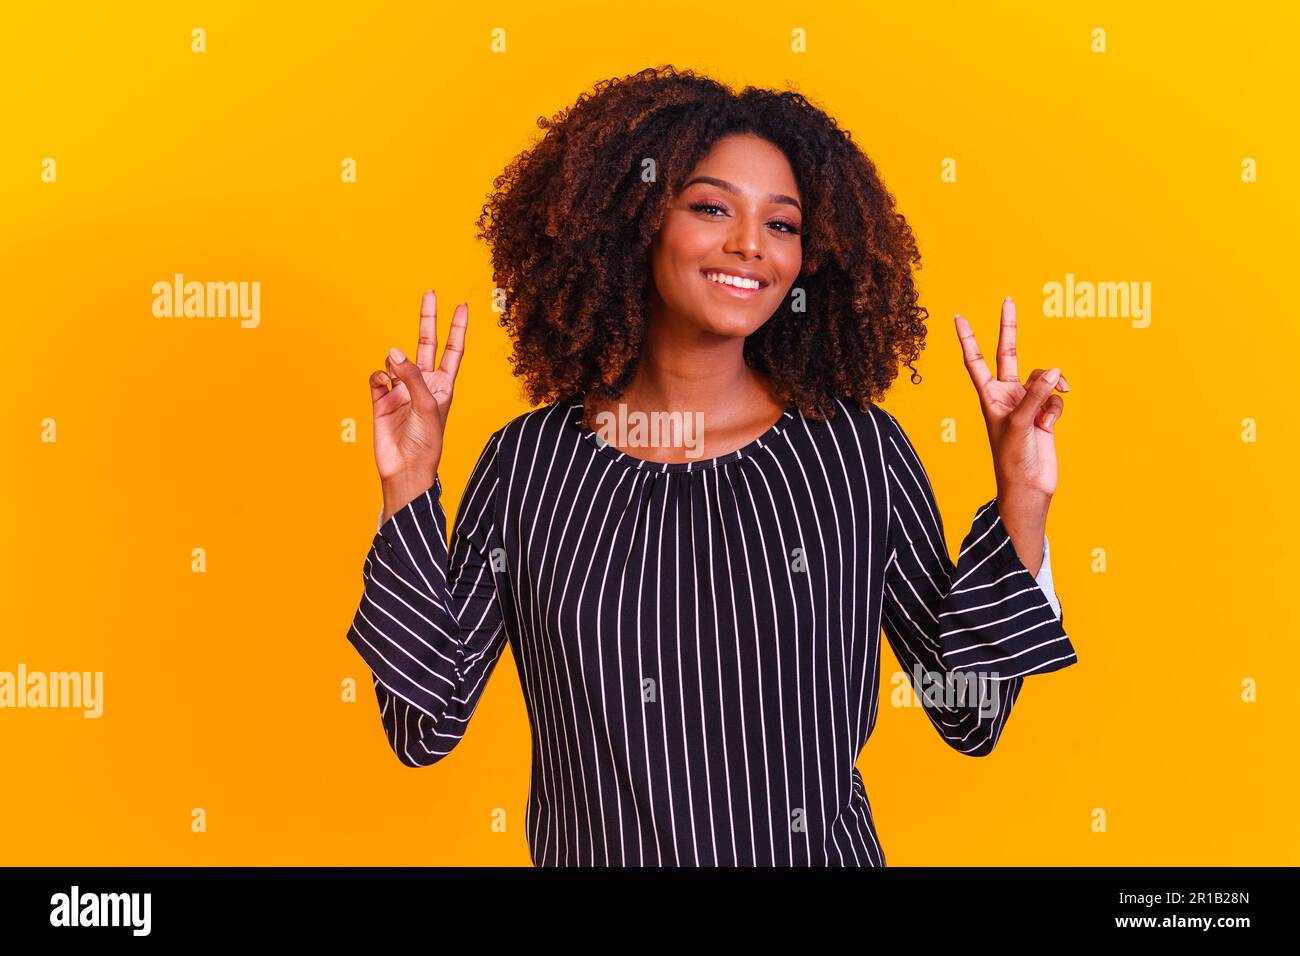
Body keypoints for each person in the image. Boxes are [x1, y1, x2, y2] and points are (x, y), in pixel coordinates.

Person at [345, 65, 1078, 867]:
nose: (750, 246)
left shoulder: (857, 454)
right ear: (636, 220)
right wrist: (409, 482)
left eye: (784, 225)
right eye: (711, 207)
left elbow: (967, 714)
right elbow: (423, 727)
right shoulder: (530, 466)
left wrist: (1022, 498)